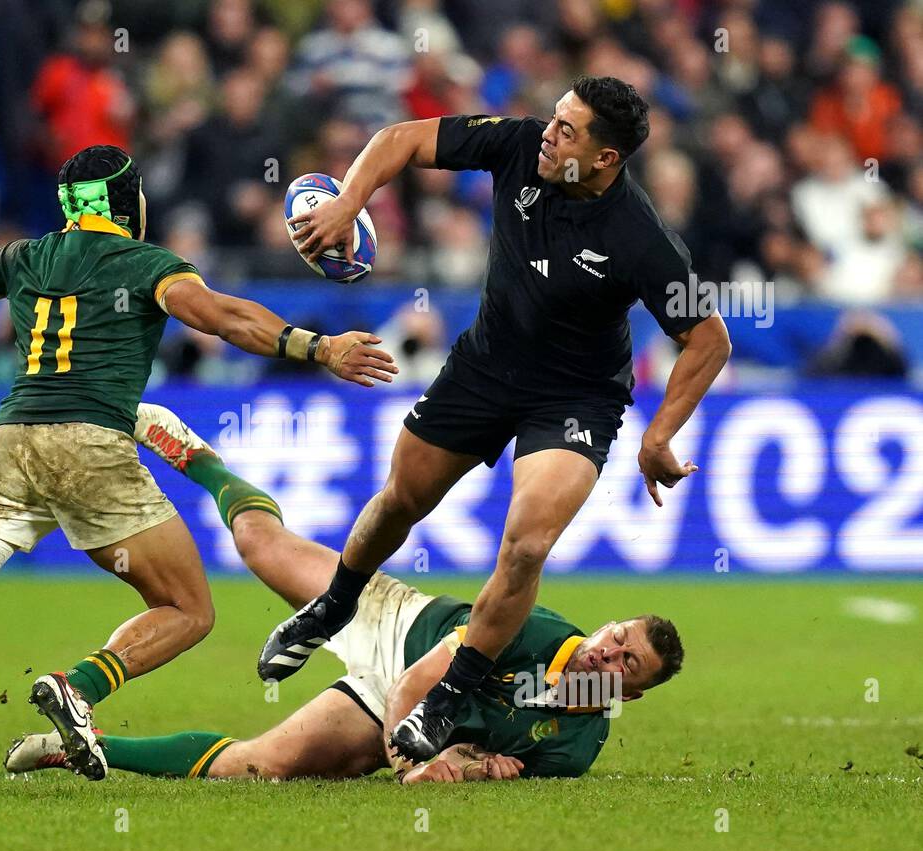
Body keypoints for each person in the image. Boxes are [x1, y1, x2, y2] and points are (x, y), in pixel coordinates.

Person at [0, 145, 396, 793]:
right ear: (127, 201)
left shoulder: (24, 257)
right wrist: (317, 346)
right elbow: (221, 316)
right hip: (90, 447)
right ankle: (75, 686)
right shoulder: (150, 266)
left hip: (11, 449)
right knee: (187, 608)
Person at [263, 76, 730, 765]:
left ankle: (450, 695)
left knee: (527, 546)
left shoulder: (642, 239)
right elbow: (400, 139)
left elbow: (709, 337)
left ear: (605, 159)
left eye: (569, 131)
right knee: (403, 500)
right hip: (485, 368)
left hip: (575, 398)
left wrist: (659, 436)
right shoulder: (517, 145)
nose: (550, 132)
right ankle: (335, 603)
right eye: (556, 118)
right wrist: (347, 203)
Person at [5, 404, 685, 783]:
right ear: (601, 628)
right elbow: (416, 688)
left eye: (627, 666)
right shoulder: (533, 631)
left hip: (401, 708)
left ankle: (76, 747)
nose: (608, 658)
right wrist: (419, 766)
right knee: (259, 548)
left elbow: (509, 768)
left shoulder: (578, 744)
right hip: (394, 626)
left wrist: (474, 771)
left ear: (634, 696)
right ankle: (201, 461)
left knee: (260, 769)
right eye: (615, 640)